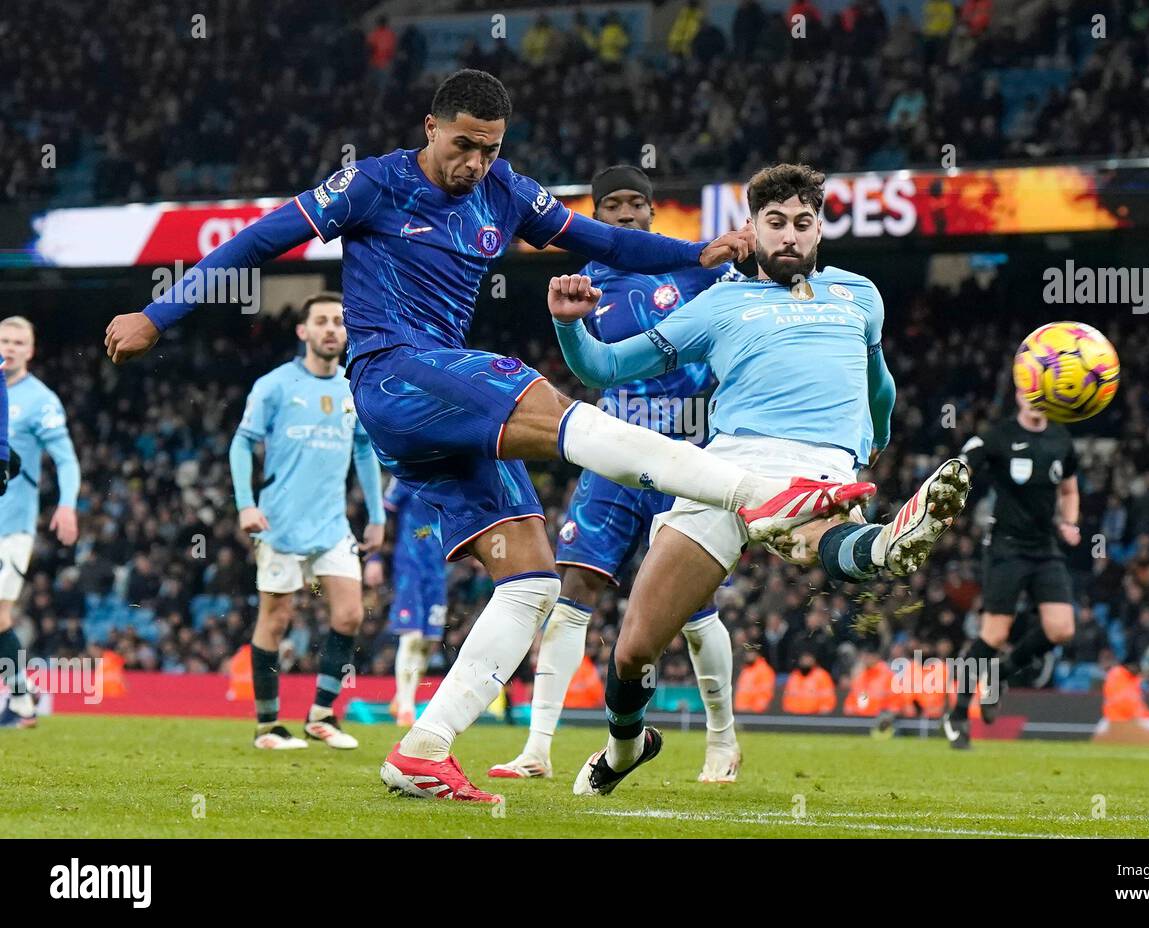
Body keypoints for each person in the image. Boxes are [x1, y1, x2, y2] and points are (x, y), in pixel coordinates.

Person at [105, 70, 872, 802]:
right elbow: (258, 240)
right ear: (430, 128)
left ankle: (424, 751)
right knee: (572, 418)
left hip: (441, 418)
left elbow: (601, 242)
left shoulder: (505, 191)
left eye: (491, 148)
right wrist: (157, 315)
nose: (475, 163)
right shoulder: (373, 182)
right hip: (397, 373)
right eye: (462, 145)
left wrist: (691, 252)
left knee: (533, 578)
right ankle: (764, 497)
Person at [552, 163, 969, 796]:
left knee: (808, 534)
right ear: (753, 228)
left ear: (820, 229)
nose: (790, 237)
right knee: (636, 646)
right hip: (725, 469)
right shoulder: (718, 303)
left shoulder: (859, 295)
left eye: (804, 223)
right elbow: (605, 369)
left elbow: (878, 384)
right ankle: (624, 747)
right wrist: (568, 323)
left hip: (819, 465)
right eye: (775, 223)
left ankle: (885, 544)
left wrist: (875, 441)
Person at [488, 165, 745, 784]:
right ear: (596, 217)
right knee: (572, 589)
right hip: (614, 454)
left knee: (692, 608)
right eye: (613, 207)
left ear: (654, 214)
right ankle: (538, 748)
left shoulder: (696, 269)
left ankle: (722, 740)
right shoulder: (584, 281)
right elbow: (591, 371)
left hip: (685, 457)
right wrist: (568, 321)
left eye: (637, 204)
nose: (627, 215)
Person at [230, 294, 386, 750]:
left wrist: (376, 516)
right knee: (276, 619)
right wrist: (245, 503)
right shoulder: (274, 386)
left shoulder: (352, 388)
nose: (331, 329)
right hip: (279, 523)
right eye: (321, 321)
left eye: (338, 321)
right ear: (303, 332)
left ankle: (321, 715)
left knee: (351, 613)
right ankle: (266, 727)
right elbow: (242, 444)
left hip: (332, 524)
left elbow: (363, 450)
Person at [942, 387, 1081, 749]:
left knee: (1062, 629)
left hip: (1044, 546)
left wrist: (1070, 524)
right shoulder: (1000, 436)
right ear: (1018, 395)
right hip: (1005, 547)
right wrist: (962, 465)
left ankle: (1001, 673)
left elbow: (1069, 490)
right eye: (1027, 389)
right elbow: (968, 457)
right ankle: (957, 714)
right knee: (995, 634)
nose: (1033, 396)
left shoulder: (1061, 439)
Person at [0, 317, 79, 730]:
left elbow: (65, 458)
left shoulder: (41, 400)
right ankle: (22, 698)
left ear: (30, 351)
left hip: (11, 527)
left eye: (18, 342)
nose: (9, 347)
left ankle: (20, 697)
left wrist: (66, 504)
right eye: (4, 340)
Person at [370, 477, 447, 727]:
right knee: (411, 637)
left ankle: (401, 698)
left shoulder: (451, 479)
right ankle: (406, 706)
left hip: (437, 571)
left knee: (427, 642)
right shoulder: (406, 474)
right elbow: (381, 514)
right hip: (409, 569)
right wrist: (374, 558)